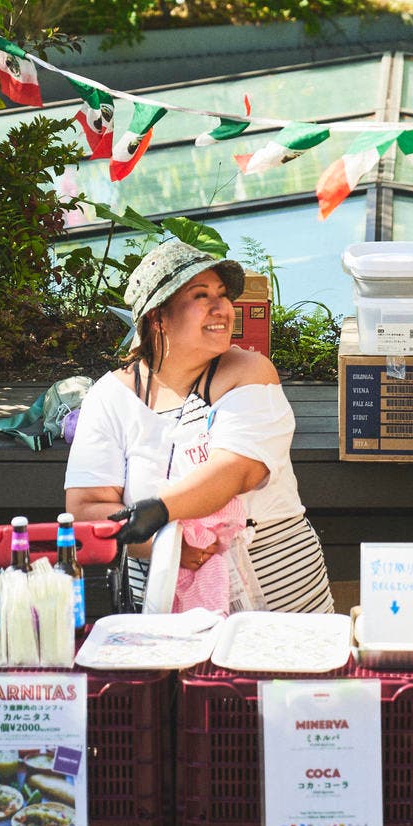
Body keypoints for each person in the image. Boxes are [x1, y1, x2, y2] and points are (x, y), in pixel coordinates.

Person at [65, 240, 333, 613]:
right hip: (161, 607)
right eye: (201, 295)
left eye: (223, 295)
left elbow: (238, 469)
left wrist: (161, 511)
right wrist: (168, 546)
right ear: (158, 317)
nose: (220, 306)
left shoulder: (249, 372)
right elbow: (87, 508)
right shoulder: (110, 399)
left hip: (278, 601)